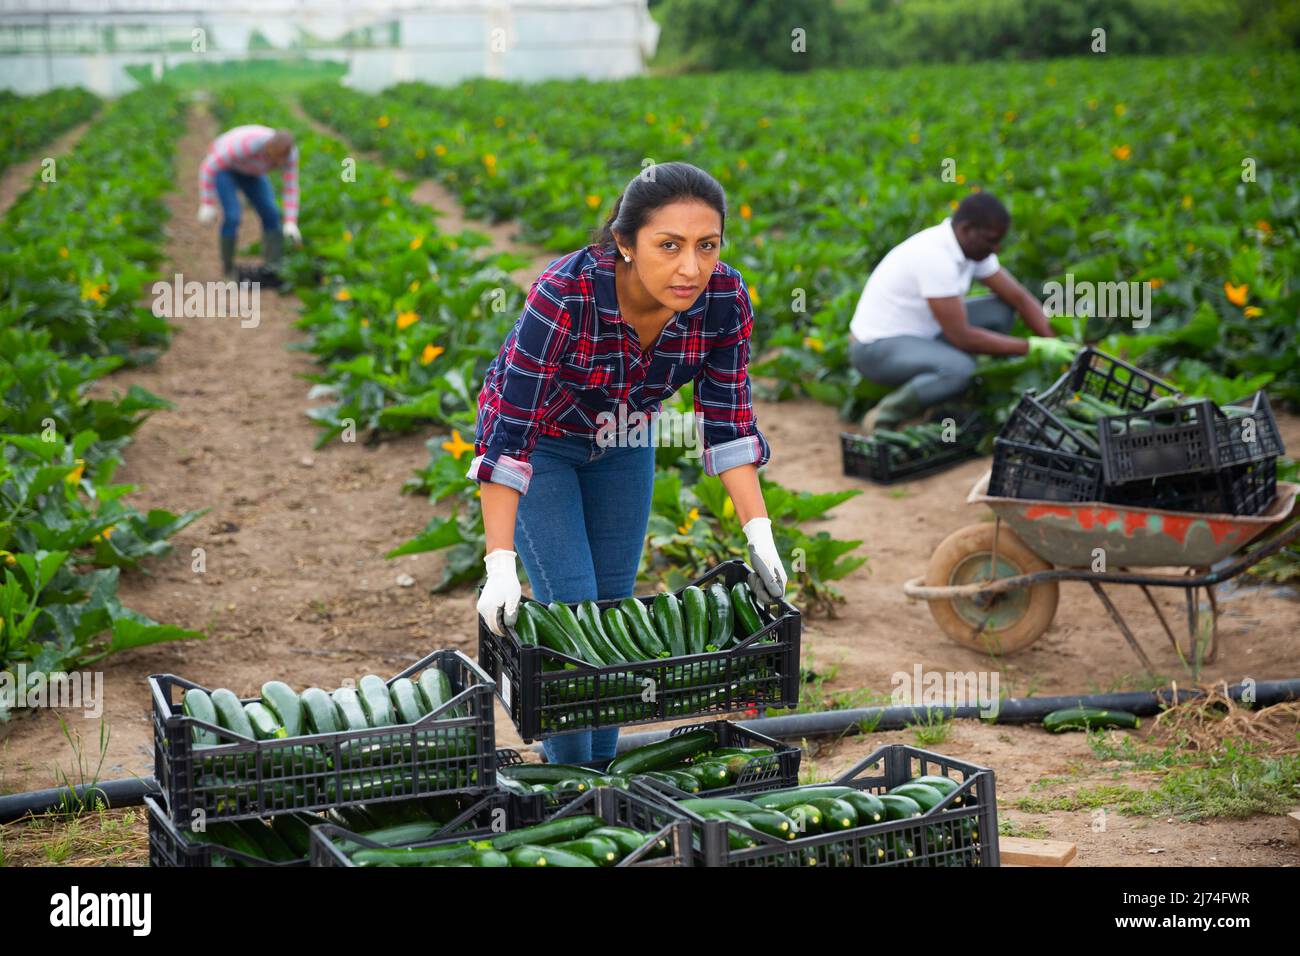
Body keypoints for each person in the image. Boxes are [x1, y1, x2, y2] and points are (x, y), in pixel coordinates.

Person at [469, 162, 788, 766]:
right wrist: (500, 563)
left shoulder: (723, 300)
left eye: (707, 245)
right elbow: (509, 436)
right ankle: (575, 783)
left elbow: (727, 422)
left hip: (626, 437)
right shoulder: (565, 294)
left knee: (614, 619)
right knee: (574, 616)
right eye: (668, 246)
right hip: (543, 443)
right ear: (624, 241)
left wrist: (760, 534)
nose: (690, 267)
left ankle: (603, 781)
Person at [849, 192, 1077, 432]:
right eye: (991, 241)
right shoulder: (935, 257)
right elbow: (962, 336)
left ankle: (948, 395)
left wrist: (1055, 341)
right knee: (959, 370)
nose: (996, 248)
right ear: (967, 229)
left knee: (999, 311)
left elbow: (1019, 298)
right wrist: (1033, 347)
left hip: (922, 334)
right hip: (875, 348)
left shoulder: (973, 249)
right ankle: (884, 416)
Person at [196, 125, 301, 277]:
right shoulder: (249, 145)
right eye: (274, 158)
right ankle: (228, 269)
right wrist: (207, 203)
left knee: (271, 213)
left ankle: (273, 268)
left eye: (280, 160)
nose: (276, 163)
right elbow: (209, 166)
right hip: (227, 169)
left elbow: (290, 188)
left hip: (253, 173)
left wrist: (291, 222)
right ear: (269, 147)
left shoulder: (290, 156)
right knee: (233, 215)